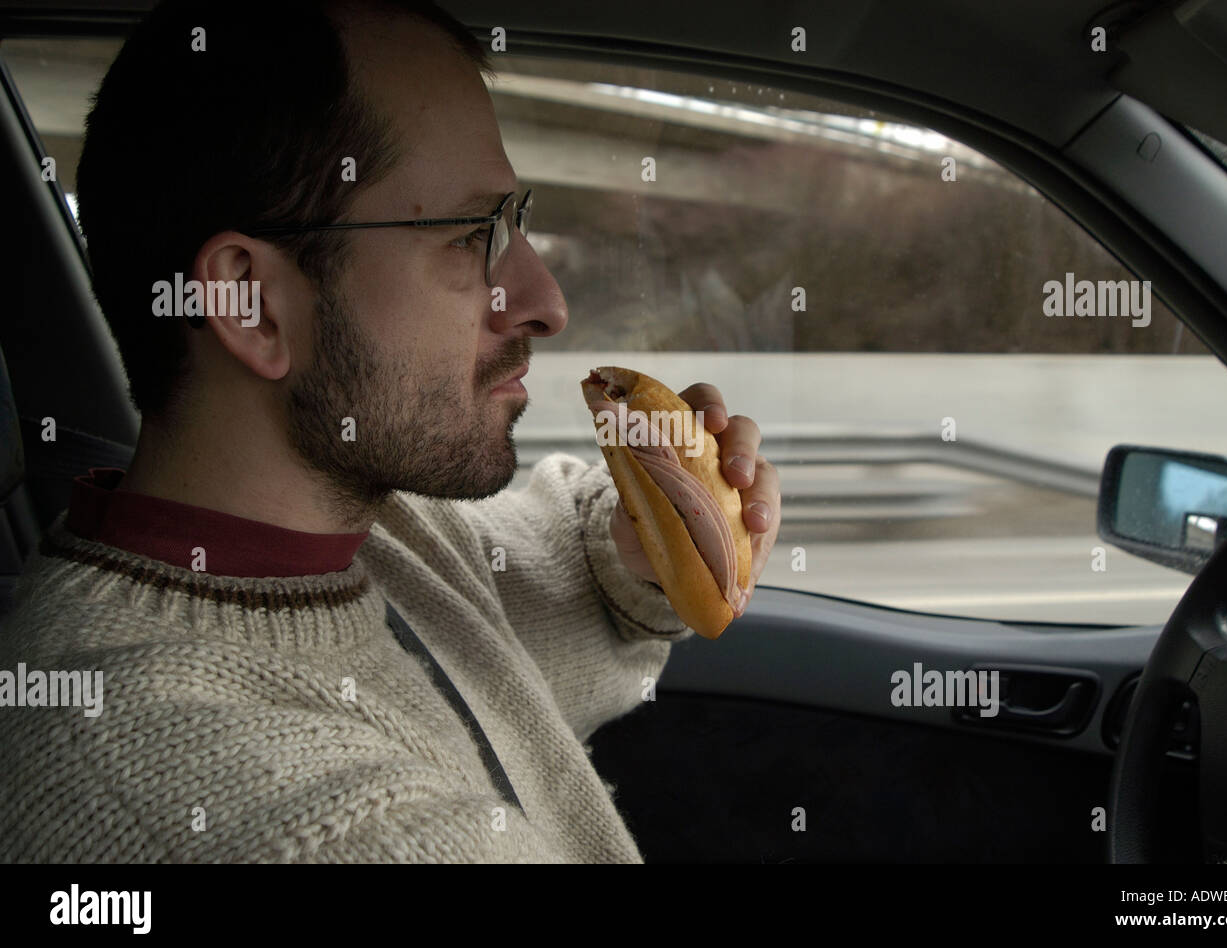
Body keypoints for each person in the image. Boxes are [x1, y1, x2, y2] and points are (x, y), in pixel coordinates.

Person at [0, 0, 779, 862]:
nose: (545, 302)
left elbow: (532, 581)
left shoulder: (362, 529)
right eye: (466, 235)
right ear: (249, 303)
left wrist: (645, 540)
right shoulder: (255, 808)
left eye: (514, 219)